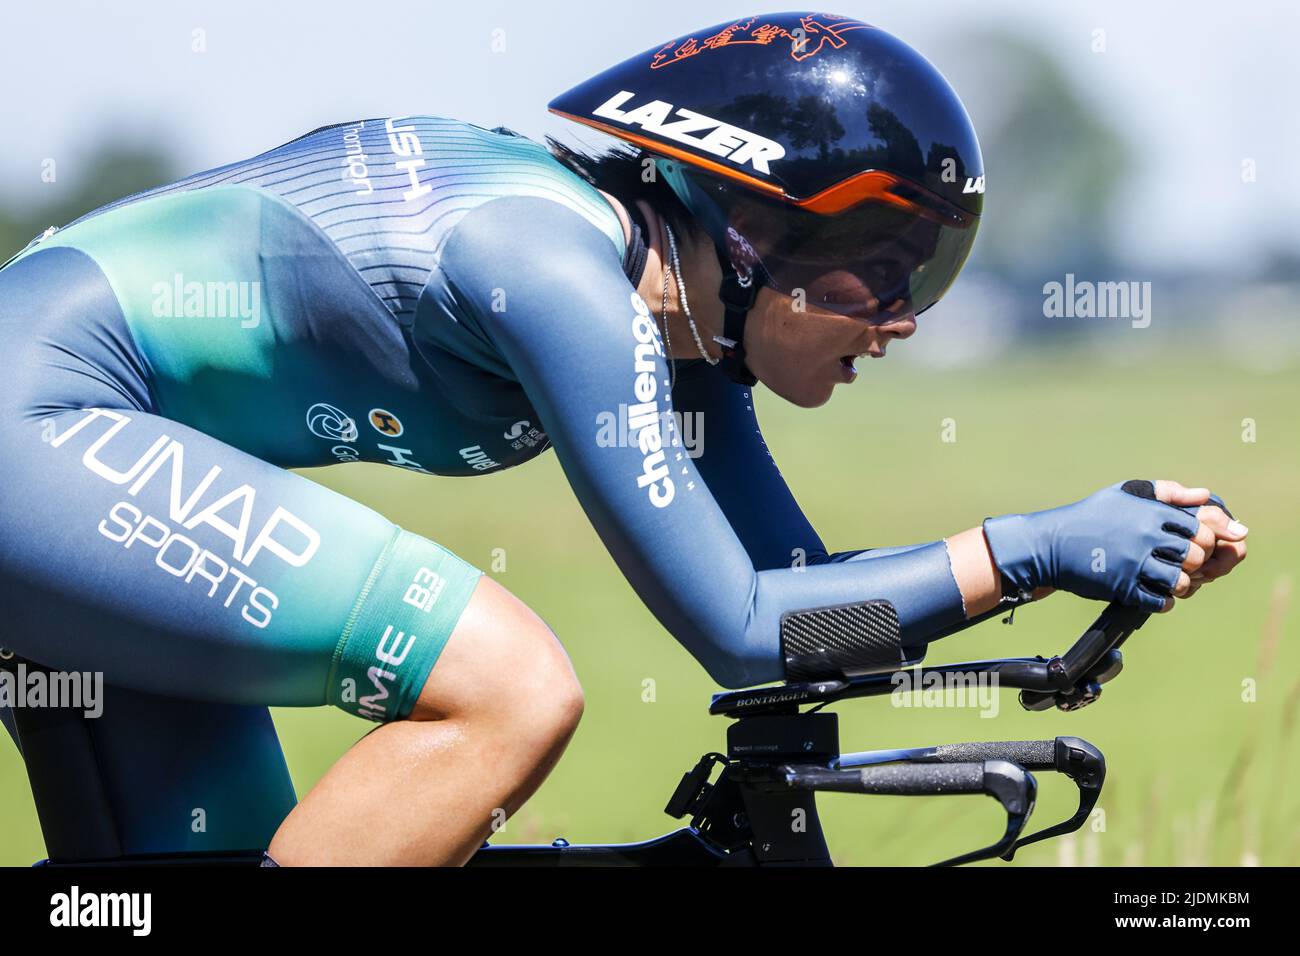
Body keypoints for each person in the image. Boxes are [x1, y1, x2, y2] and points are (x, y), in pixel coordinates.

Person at [0, 12, 1245, 866]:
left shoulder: (687, 339)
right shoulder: (559, 273)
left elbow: (799, 623)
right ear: (757, 239)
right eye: (878, 272)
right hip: (46, 431)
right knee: (510, 688)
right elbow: (742, 626)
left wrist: (1099, 543)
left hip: (92, 509)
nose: (906, 318)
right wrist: (1028, 547)